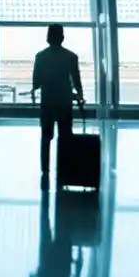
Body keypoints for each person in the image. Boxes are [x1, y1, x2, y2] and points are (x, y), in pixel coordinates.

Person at [32, 24, 83, 184]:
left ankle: (45, 169)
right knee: (65, 137)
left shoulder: (40, 57)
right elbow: (76, 80)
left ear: (48, 38)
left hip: (47, 101)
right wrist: (79, 95)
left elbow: (36, 82)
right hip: (64, 102)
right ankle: (64, 168)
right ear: (62, 37)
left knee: (46, 137)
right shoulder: (71, 57)